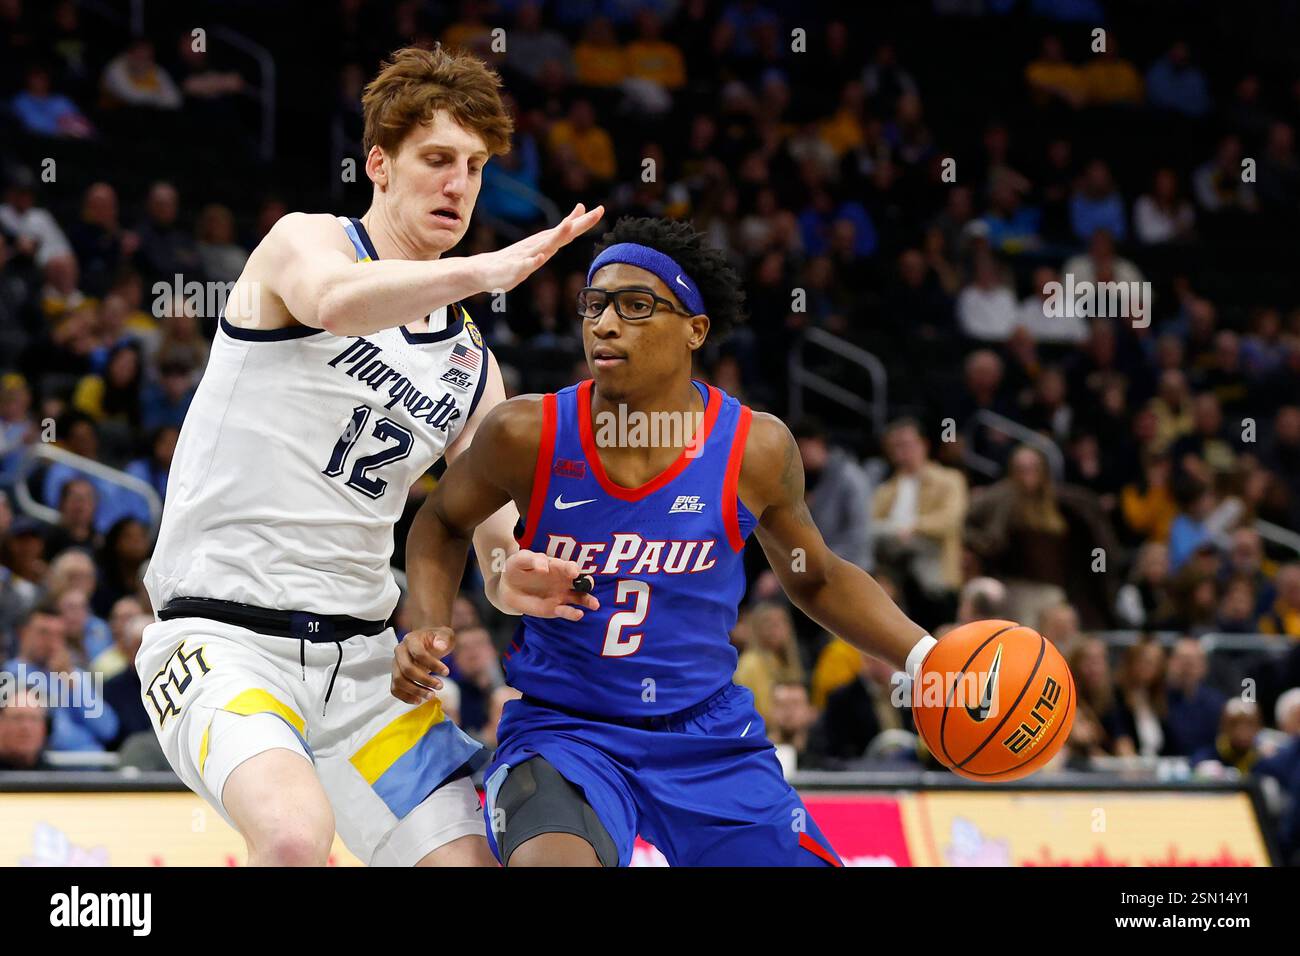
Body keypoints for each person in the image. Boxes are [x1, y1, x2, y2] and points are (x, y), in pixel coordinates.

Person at [136, 46, 604, 868]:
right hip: (221, 640)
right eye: (436, 160)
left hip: (366, 673)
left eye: (475, 166)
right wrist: (481, 270)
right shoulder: (305, 245)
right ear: (378, 165)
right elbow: (339, 303)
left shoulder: (473, 368)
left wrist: (516, 578)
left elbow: (493, 549)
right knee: (290, 838)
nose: (458, 185)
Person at [392, 216, 937, 866]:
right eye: (594, 305)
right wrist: (425, 627)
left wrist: (928, 657)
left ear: (695, 329)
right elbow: (442, 523)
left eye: (636, 305)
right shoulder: (526, 433)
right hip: (566, 733)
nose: (604, 323)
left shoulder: (753, 449)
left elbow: (814, 577)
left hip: (708, 735)